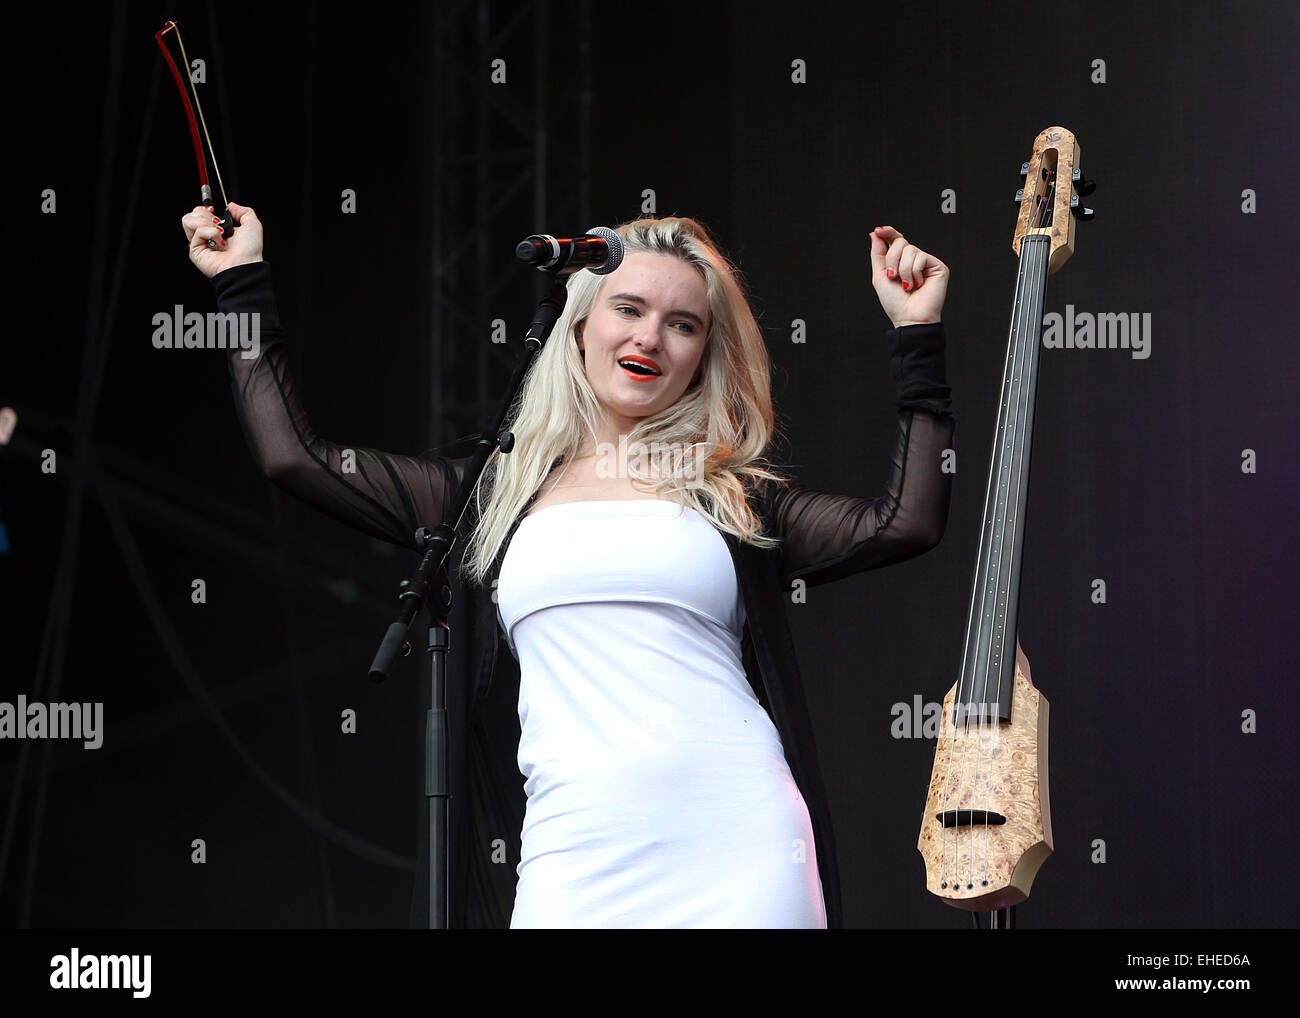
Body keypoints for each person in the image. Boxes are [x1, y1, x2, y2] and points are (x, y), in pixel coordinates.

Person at [181, 203, 955, 928]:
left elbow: (905, 523)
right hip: (572, 856)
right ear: (579, 325)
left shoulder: (733, 501)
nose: (651, 338)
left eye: (682, 324)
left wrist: (916, 336)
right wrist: (240, 282)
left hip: (740, 845)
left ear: (702, 357)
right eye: (630, 309)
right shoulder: (488, 496)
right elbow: (293, 459)